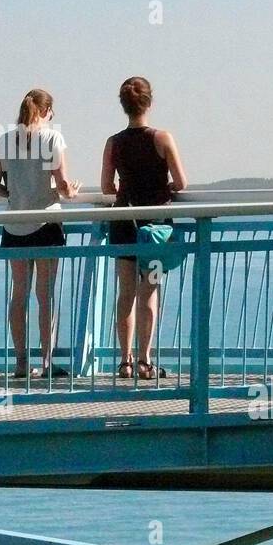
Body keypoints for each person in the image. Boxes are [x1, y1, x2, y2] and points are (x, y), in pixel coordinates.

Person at [0, 88, 81, 378]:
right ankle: (46, 362)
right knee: (46, 295)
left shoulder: (5, 140)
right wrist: (71, 193)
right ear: (46, 111)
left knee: (19, 294)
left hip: (14, 225)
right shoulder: (52, 138)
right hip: (47, 224)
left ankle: (20, 362)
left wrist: (14, 195)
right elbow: (62, 184)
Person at [100, 76, 188, 380]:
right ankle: (144, 360)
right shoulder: (162, 139)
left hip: (124, 222)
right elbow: (181, 182)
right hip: (155, 226)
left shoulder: (114, 143)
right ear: (149, 102)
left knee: (125, 292)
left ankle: (124, 361)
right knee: (148, 291)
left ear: (123, 106)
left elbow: (105, 186)